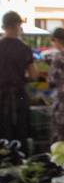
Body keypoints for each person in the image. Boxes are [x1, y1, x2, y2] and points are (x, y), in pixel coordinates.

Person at [0, 10, 35, 145]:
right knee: (20, 131)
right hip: (19, 95)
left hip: (1, 95)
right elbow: (33, 75)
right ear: (17, 25)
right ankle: (20, 154)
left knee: (2, 132)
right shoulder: (24, 48)